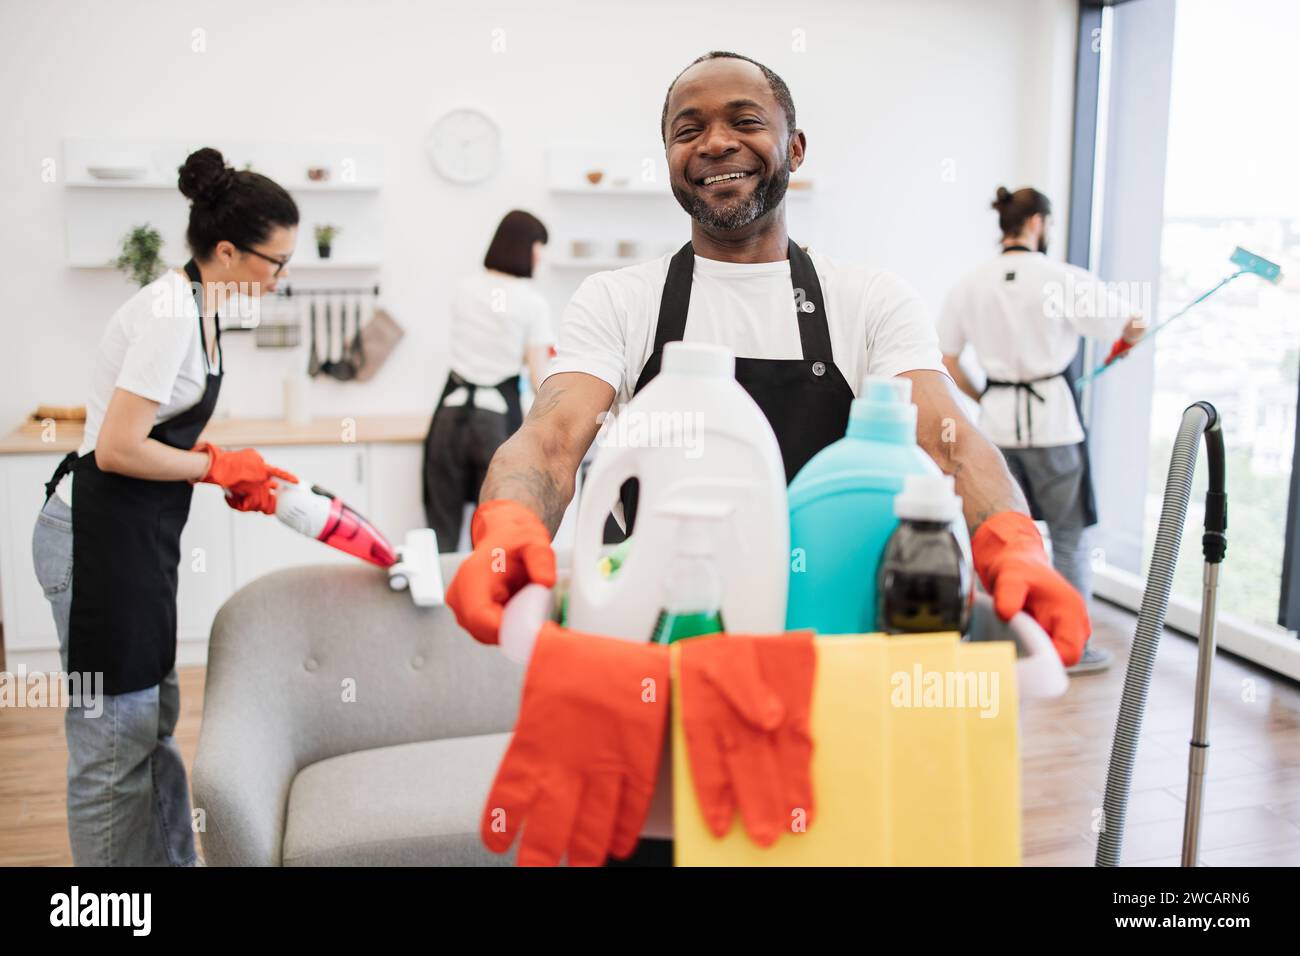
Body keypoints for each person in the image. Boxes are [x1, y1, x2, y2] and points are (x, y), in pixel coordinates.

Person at [445, 51, 1092, 866]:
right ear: (670, 160)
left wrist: (1011, 541)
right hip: (658, 669)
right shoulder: (622, 300)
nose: (715, 142)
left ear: (794, 147)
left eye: (745, 120)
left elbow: (950, 439)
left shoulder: (867, 301)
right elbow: (550, 436)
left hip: (829, 670)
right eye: (689, 129)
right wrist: (504, 526)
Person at [31, 147, 300, 866]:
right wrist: (215, 467)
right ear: (225, 251)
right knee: (110, 743)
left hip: (139, 537)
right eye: (275, 263)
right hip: (95, 537)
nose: (280, 280)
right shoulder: (170, 313)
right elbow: (118, 448)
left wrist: (234, 469)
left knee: (152, 722)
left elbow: (159, 436)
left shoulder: (207, 314)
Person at [937, 186, 1145, 674]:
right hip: (1054, 425)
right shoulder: (1061, 278)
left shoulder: (970, 283)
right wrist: (1125, 344)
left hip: (997, 429)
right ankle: (1073, 646)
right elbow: (1130, 322)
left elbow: (946, 358)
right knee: (1069, 537)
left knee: (996, 535)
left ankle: (997, 642)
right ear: (1037, 223)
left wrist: (985, 395)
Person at [422, 210, 554, 551]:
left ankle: (438, 598)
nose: (540, 255)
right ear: (525, 248)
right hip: (494, 422)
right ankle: (484, 596)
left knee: (441, 528)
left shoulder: (464, 289)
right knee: (493, 529)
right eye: (539, 246)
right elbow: (540, 377)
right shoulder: (532, 302)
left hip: (449, 418)